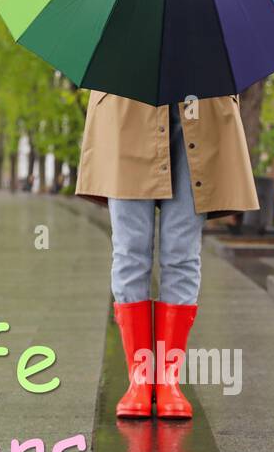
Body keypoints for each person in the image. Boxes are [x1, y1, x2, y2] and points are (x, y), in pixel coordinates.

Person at [76, 92, 258, 419]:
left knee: (182, 252)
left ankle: (169, 379)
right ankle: (140, 380)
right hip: (126, 102)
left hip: (202, 104)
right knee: (131, 250)